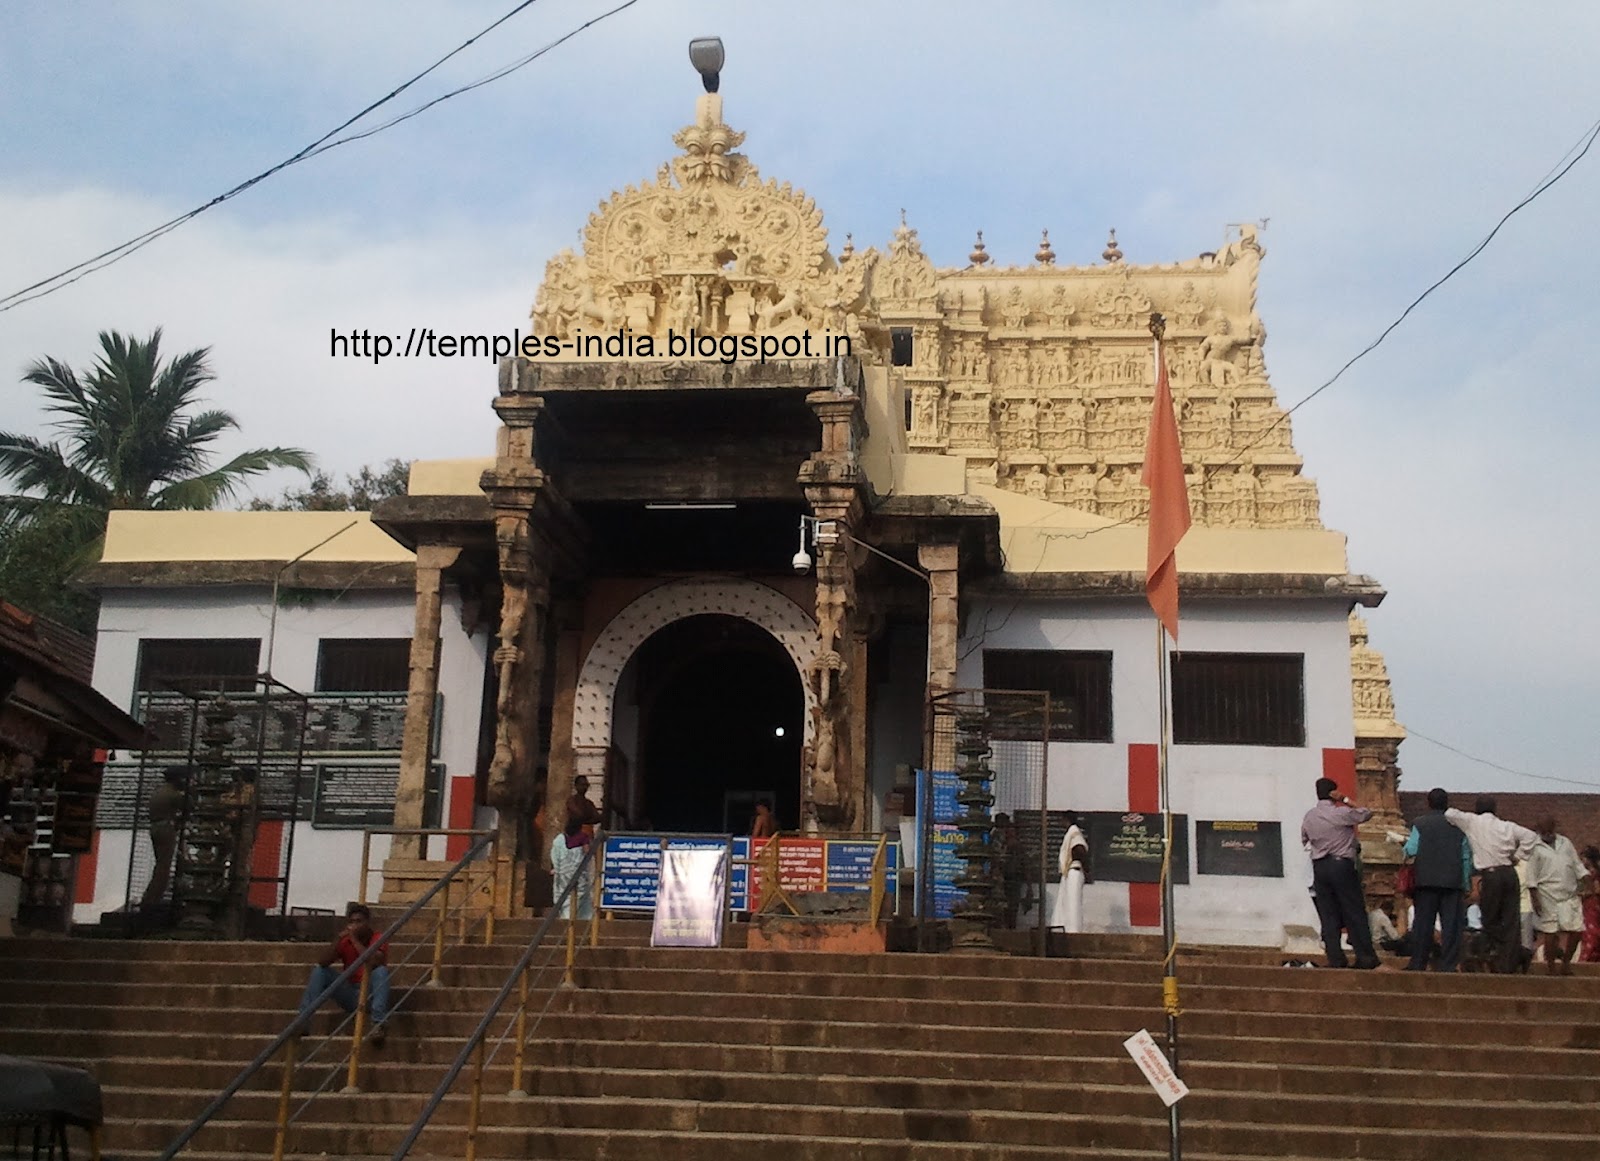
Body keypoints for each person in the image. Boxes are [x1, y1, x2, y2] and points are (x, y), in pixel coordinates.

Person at [1446, 796, 1539, 974]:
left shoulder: (1472, 821)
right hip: (1510, 874)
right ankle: (1509, 962)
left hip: (1491, 875)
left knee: (1489, 919)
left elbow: (1450, 813)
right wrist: (1518, 856)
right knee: (1511, 920)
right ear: (1495, 809)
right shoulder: (1506, 826)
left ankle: (1495, 953)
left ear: (1477, 809)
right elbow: (1531, 837)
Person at [1300, 778, 1380, 969]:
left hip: (1320, 867)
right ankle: (1365, 957)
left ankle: (1335, 957)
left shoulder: (1309, 816)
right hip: (1341, 865)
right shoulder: (1341, 813)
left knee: (1328, 914)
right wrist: (1344, 799)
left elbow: (1304, 839)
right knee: (1353, 911)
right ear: (1332, 793)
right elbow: (1366, 813)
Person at [298, 903, 391, 1046]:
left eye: (359, 922)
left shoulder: (377, 937)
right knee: (319, 971)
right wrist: (338, 940)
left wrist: (354, 940)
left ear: (367, 923)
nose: (354, 925)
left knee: (381, 972)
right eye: (352, 922)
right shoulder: (345, 941)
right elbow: (323, 962)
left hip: (369, 994)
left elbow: (373, 962)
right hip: (350, 994)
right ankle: (303, 1021)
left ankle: (378, 1024)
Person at [1401, 787, 1472, 972]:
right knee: (1451, 926)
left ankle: (1418, 962)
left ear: (1428, 803)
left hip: (1426, 881)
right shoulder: (1459, 826)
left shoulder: (1420, 823)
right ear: (1447, 803)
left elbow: (1411, 849)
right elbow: (1466, 856)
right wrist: (1466, 882)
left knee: (1423, 924)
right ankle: (1448, 964)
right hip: (1452, 881)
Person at [1525, 817, 1589, 976]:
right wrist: (1535, 898)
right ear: (1539, 831)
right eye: (1543, 831)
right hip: (1547, 894)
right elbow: (1531, 876)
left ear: (1554, 828)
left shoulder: (1565, 843)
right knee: (1550, 932)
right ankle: (1551, 967)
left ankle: (1566, 963)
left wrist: (1586, 881)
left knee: (1577, 929)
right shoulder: (1535, 847)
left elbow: (1577, 865)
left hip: (1569, 894)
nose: (1547, 834)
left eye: (1550, 830)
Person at [139, 766, 189, 913]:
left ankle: (150, 898)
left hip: (155, 827)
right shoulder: (174, 794)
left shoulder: (159, 792)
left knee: (160, 864)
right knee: (164, 867)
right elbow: (188, 805)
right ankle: (152, 899)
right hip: (166, 828)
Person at [1050, 811, 1088, 933]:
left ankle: (1073, 930)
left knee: (1073, 902)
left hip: (1074, 871)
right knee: (1065, 902)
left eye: (1062, 820)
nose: (1060, 823)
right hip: (1069, 872)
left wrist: (1085, 868)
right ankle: (1064, 928)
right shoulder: (1071, 833)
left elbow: (1079, 850)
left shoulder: (1075, 833)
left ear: (1067, 820)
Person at [551, 816, 595, 920]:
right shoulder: (583, 837)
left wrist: (557, 868)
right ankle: (579, 918)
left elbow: (554, 855)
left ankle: (566, 917)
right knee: (580, 896)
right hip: (578, 873)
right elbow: (587, 852)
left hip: (562, 874)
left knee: (564, 896)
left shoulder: (559, 839)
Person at [1579, 846, 1600, 964]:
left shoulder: (1592, 872)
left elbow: (1596, 890)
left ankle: (1587, 958)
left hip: (1592, 904)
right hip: (1589, 905)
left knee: (1591, 932)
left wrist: (1585, 894)